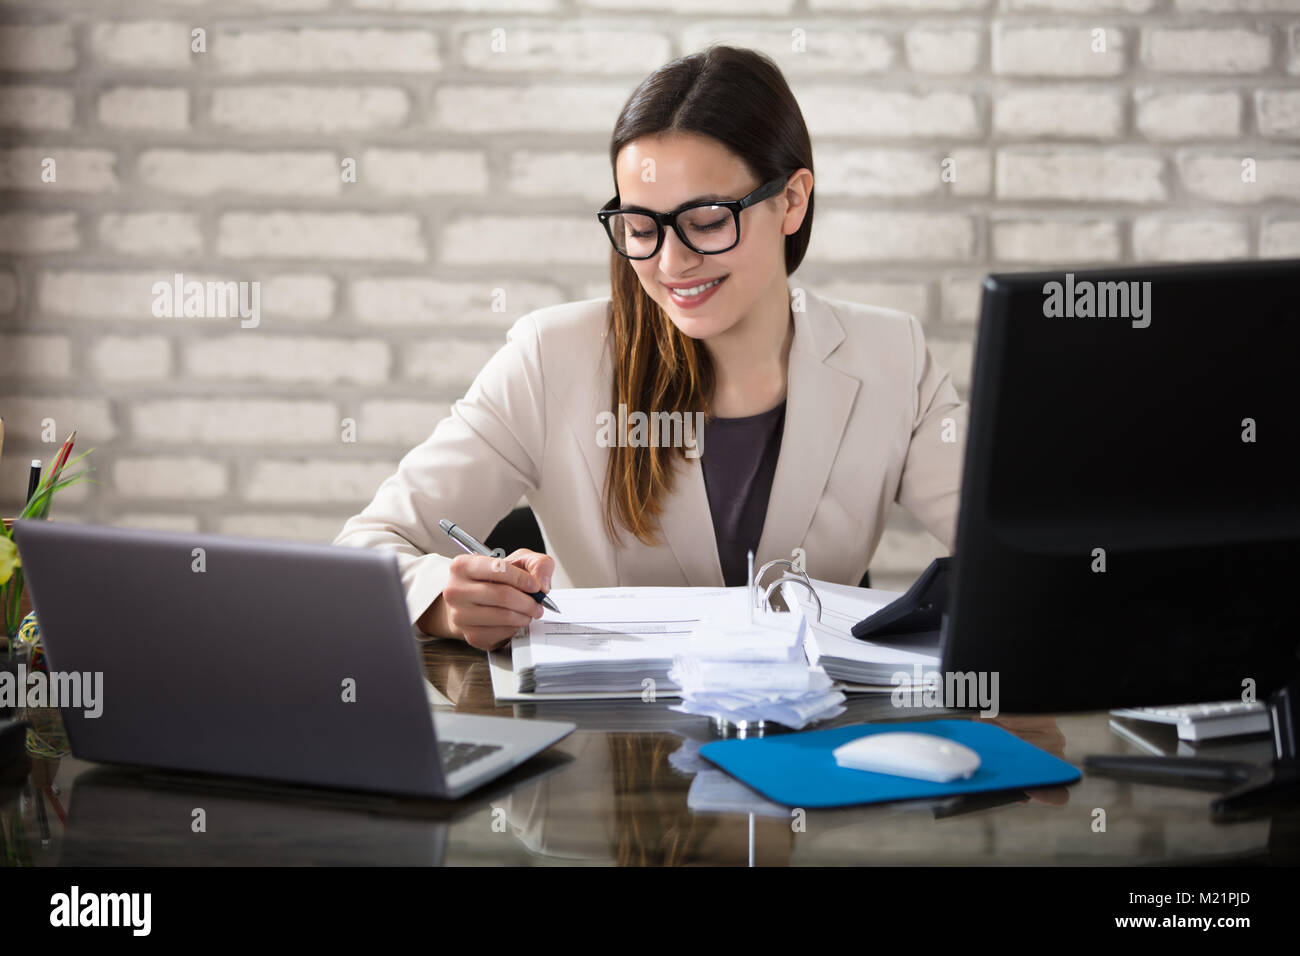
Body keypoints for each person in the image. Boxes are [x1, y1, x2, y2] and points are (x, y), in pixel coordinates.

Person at [333, 45, 967, 652]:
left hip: (805, 747)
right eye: (640, 227)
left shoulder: (893, 358)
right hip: (610, 750)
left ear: (792, 200)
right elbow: (364, 547)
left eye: (708, 221)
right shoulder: (549, 359)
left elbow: (1013, 557)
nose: (670, 262)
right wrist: (442, 599)